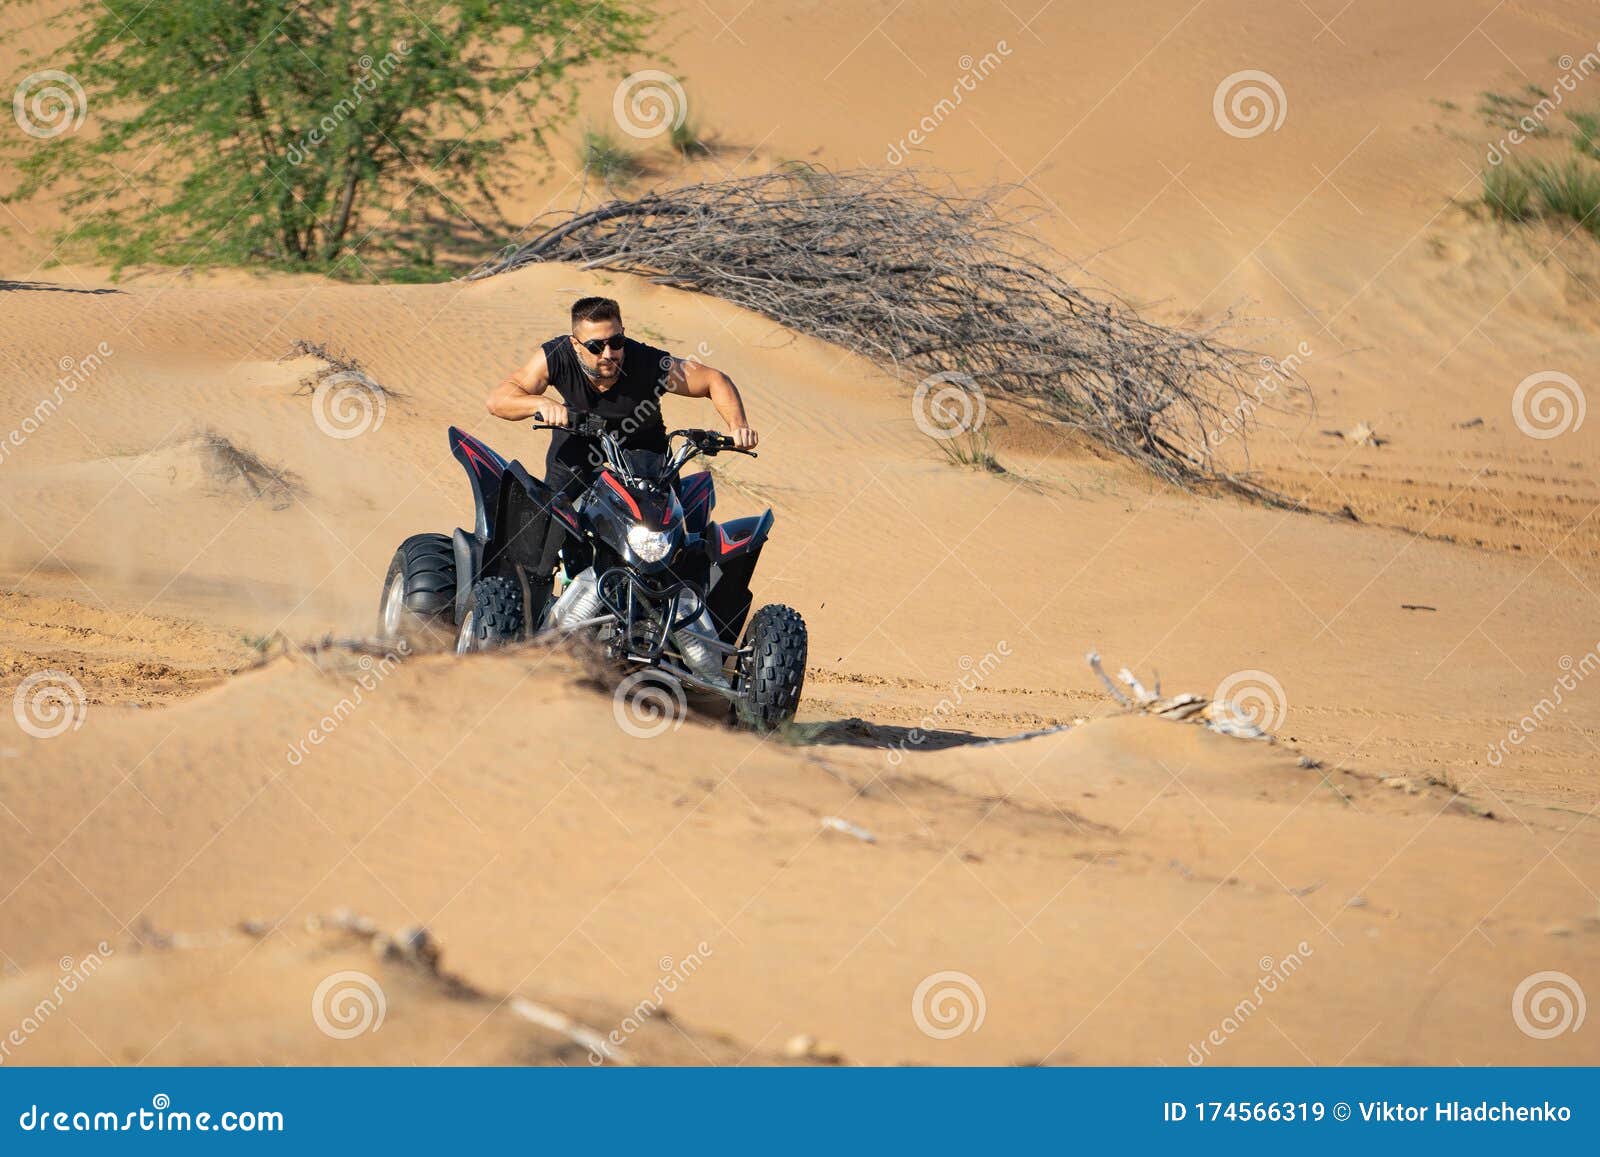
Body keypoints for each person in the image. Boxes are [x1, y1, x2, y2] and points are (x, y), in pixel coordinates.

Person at [485, 295, 759, 573]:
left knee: (668, 535)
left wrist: (738, 426)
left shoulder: (649, 363)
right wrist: (540, 403)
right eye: (595, 346)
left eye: (615, 342)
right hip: (579, 443)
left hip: (642, 449)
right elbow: (499, 400)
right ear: (575, 344)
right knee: (544, 524)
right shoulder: (556, 356)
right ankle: (533, 596)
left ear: (623, 335)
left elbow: (714, 380)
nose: (608, 353)